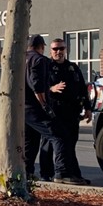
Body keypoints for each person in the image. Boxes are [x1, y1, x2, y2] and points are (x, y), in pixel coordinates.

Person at [41, 38, 91, 185]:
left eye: (61, 49)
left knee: (70, 143)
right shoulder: (46, 67)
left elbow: (83, 89)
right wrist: (51, 89)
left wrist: (88, 108)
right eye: (55, 49)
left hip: (72, 113)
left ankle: (73, 174)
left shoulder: (73, 68)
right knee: (50, 144)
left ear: (66, 49)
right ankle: (47, 174)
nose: (58, 52)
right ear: (50, 51)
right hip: (53, 112)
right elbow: (38, 88)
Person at [24, 34, 65, 181]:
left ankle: (26, 172)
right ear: (41, 46)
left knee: (31, 141)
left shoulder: (22, 58)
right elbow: (37, 85)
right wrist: (44, 105)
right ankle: (60, 173)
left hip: (24, 108)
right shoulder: (39, 59)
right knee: (57, 135)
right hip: (35, 108)